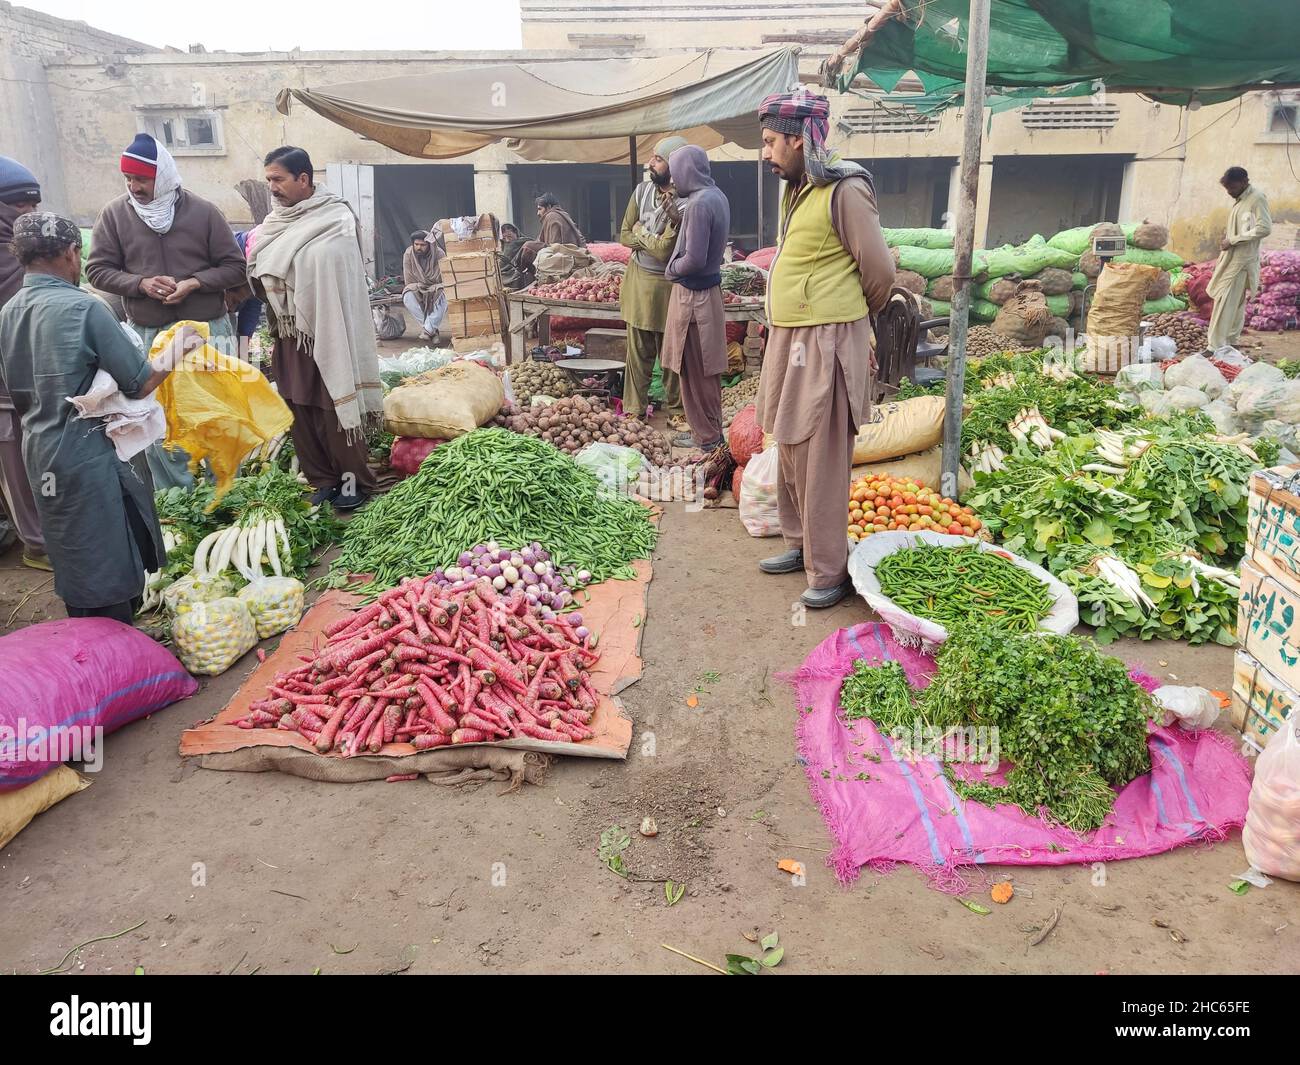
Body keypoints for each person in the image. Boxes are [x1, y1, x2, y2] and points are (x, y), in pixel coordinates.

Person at [0, 213, 196, 623]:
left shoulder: (9, 311)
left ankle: (88, 640)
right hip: (88, 451)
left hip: (39, 448)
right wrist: (178, 348)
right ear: (71, 253)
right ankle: (118, 649)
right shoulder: (84, 307)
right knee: (108, 552)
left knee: (71, 547)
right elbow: (138, 383)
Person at [754, 90, 895, 609]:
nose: (765, 154)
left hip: (827, 339)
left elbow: (879, 272)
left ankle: (829, 569)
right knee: (788, 441)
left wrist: (854, 324)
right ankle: (800, 544)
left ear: (797, 138)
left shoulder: (846, 188)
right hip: (791, 336)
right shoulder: (800, 187)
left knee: (823, 453)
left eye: (771, 143)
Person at [86, 133, 247, 489]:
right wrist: (140, 284)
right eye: (128, 179)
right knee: (159, 418)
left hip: (206, 334)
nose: (134, 186)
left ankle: (224, 491)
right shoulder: (114, 215)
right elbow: (96, 270)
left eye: (142, 178)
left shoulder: (203, 212)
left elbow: (236, 268)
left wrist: (194, 283)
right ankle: (178, 498)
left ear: (164, 177)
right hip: (150, 336)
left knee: (213, 411)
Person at [248, 146, 381, 511]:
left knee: (331, 404)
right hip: (291, 331)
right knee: (296, 403)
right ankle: (321, 478)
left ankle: (354, 480)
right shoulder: (275, 223)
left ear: (303, 179)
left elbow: (332, 264)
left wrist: (290, 271)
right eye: (268, 180)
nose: (272, 188)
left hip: (330, 326)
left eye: (278, 179)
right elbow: (258, 264)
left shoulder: (335, 217)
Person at [662, 145, 730, 454]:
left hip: (694, 299)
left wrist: (670, 269)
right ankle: (706, 432)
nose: (674, 182)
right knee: (704, 371)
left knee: (695, 370)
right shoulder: (716, 195)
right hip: (706, 295)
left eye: (676, 174)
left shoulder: (701, 204)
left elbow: (694, 259)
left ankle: (708, 439)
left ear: (688, 172)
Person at [618, 136, 688, 430]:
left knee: (672, 355)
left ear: (674, 166)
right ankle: (634, 409)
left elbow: (663, 252)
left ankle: (677, 411)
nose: (651, 163)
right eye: (653, 158)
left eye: (658, 159)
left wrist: (641, 235)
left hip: (668, 285)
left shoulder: (685, 201)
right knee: (637, 353)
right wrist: (648, 239)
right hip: (638, 283)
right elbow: (623, 235)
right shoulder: (641, 191)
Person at [0, 156, 49, 570]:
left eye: (34, 206)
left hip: (25, 367)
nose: (29, 214)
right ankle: (35, 543)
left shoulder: (18, 247)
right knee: (12, 452)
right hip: (3, 377)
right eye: (20, 207)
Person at [1207, 166, 1272, 351]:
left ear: (1244, 182)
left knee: (1226, 300)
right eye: (1227, 190)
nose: (1230, 193)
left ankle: (1214, 347)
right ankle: (1231, 342)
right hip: (1232, 257)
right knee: (1233, 302)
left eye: (1233, 189)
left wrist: (1233, 240)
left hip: (1242, 260)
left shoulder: (1257, 198)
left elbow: (1264, 228)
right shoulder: (1239, 199)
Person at [401, 229, 447, 341]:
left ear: (430, 245)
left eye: (422, 245)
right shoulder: (408, 253)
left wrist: (433, 286)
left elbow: (444, 277)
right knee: (408, 295)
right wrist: (419, 287)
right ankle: (432, 330)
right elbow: (409, 279)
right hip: (418, 285)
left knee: (446, 293)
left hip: (437, 286)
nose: (419, 247)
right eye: (416, 244)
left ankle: (428, 330)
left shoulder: (439, 253)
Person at [520, 193, 586, 270]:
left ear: (549, 207)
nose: (538, 213)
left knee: (527, 246)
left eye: (540, 209)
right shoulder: (563, 214)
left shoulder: (552, 216)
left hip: (565, 256)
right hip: (573, 254)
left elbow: (554, 247)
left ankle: (516, 270)